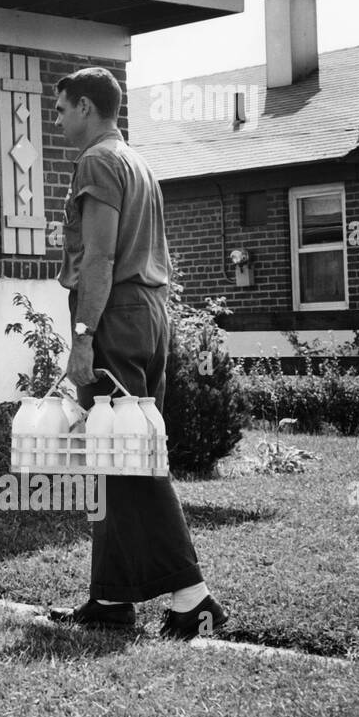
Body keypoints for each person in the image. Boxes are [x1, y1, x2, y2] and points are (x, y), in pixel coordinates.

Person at [45, 67, 227, 640]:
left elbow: (98, 259)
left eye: (61, 109)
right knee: (115, 456)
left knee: (126, 456)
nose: (57, 120)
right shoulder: (138, 162)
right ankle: (111, 596)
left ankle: (193, 596)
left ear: (86, 108)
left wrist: (81, 337)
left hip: (116, 318)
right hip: (150, 317)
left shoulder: (97, 162)